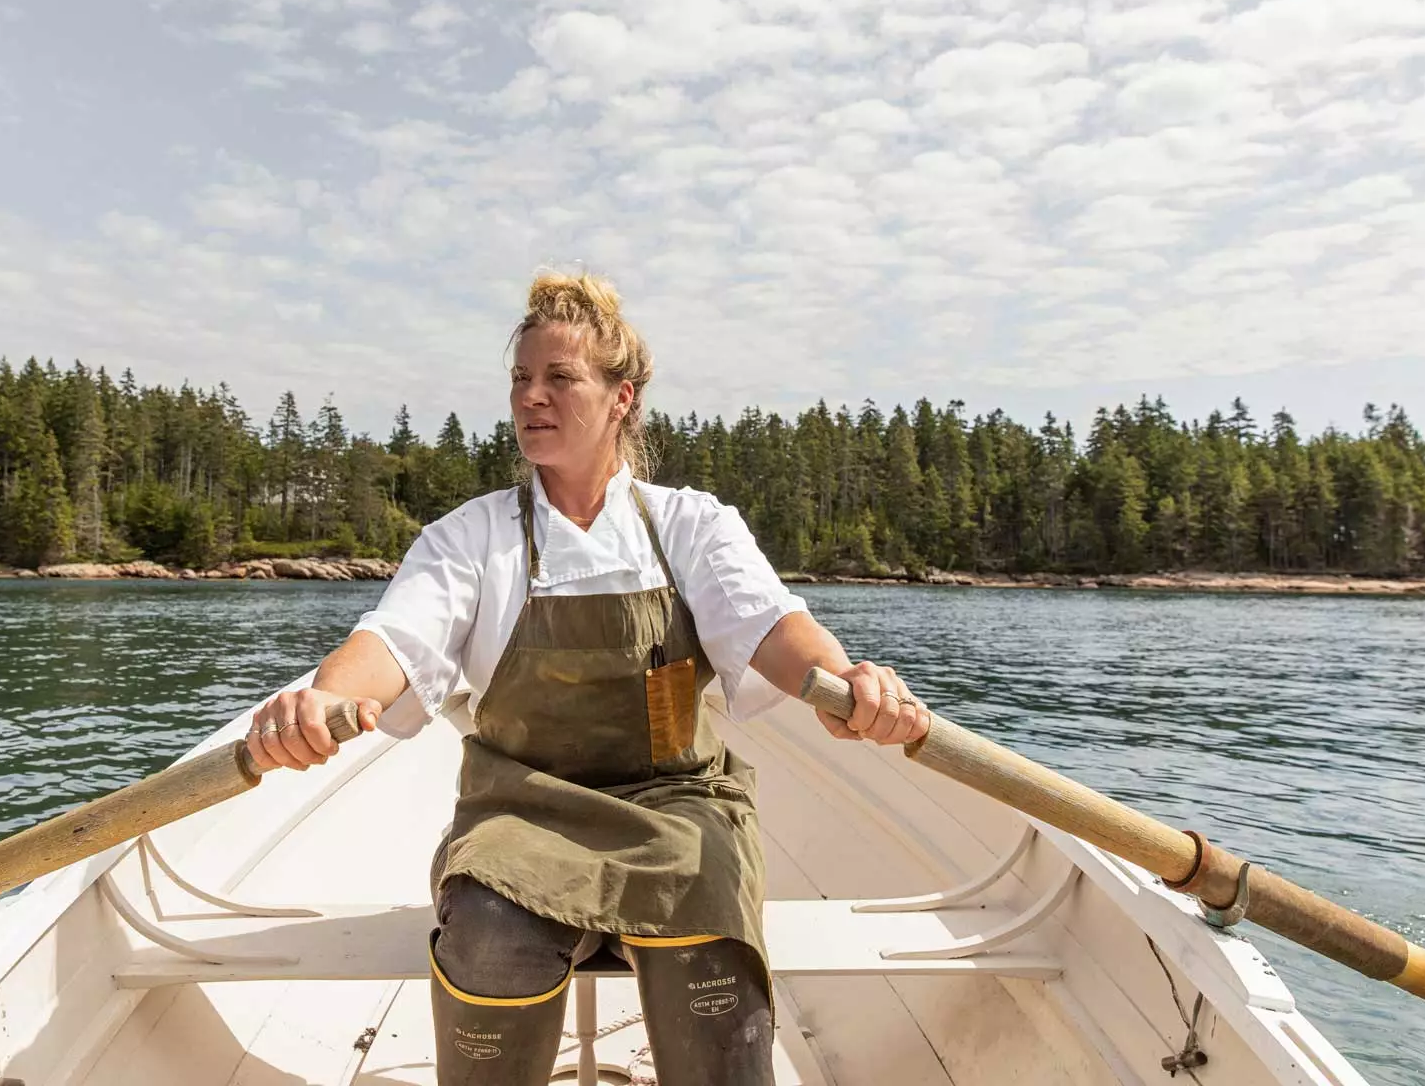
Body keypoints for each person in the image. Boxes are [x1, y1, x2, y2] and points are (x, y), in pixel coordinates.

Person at [247, 271, 931, 1085]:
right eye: (521, 379)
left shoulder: (692, 525)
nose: (532, 396)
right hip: (520, 810)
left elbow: (774, 628)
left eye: (559, 377)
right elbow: (395, 639)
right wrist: (325, 697)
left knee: (707, 930)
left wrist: (844, 680)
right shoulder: (470, 538)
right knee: (488, 939)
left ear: (620, 398)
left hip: (678, 804)